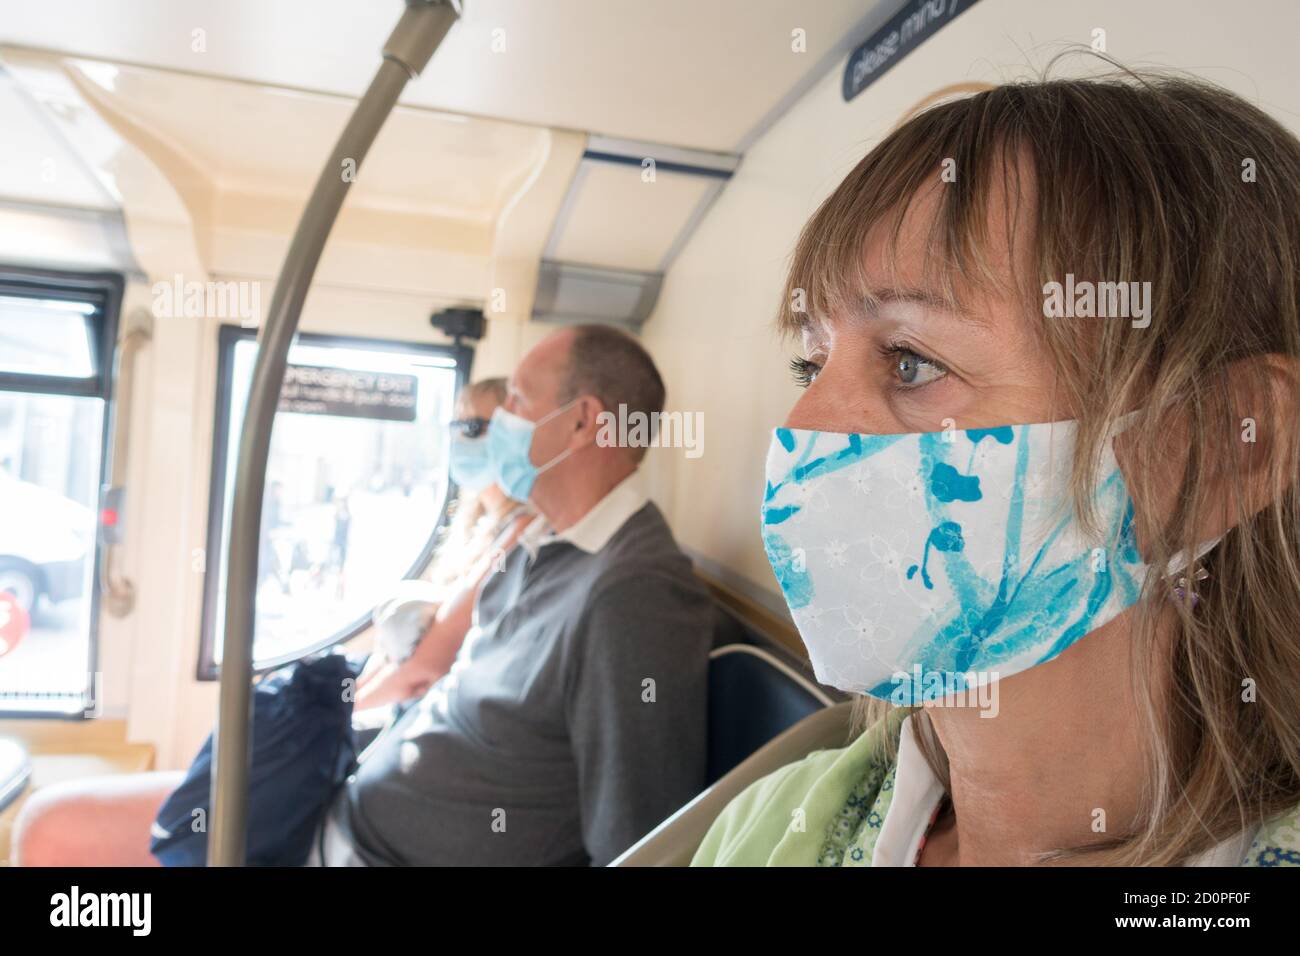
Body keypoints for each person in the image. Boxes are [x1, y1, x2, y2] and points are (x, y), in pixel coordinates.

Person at [692, 73, 1300, 867]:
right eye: (811, 366)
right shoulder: (767, 827)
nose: (798, 432)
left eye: (910, 360)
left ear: (1225, 447)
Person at [15, 325, 716, 868]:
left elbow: (642, 840)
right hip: (337, 812)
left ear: (581, 422)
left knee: (61, 846)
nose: (499, 418)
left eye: (517, 402)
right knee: (51, 828)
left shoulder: (634, 596)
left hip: (364, 849)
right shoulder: (537, 548)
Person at [354, 378, 533, 710]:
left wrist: (345, 710)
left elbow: (426, 663)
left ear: (513, 438)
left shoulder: (522, 530)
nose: (459, 439)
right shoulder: (472, 521)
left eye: (471, 426)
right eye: (455, 426)